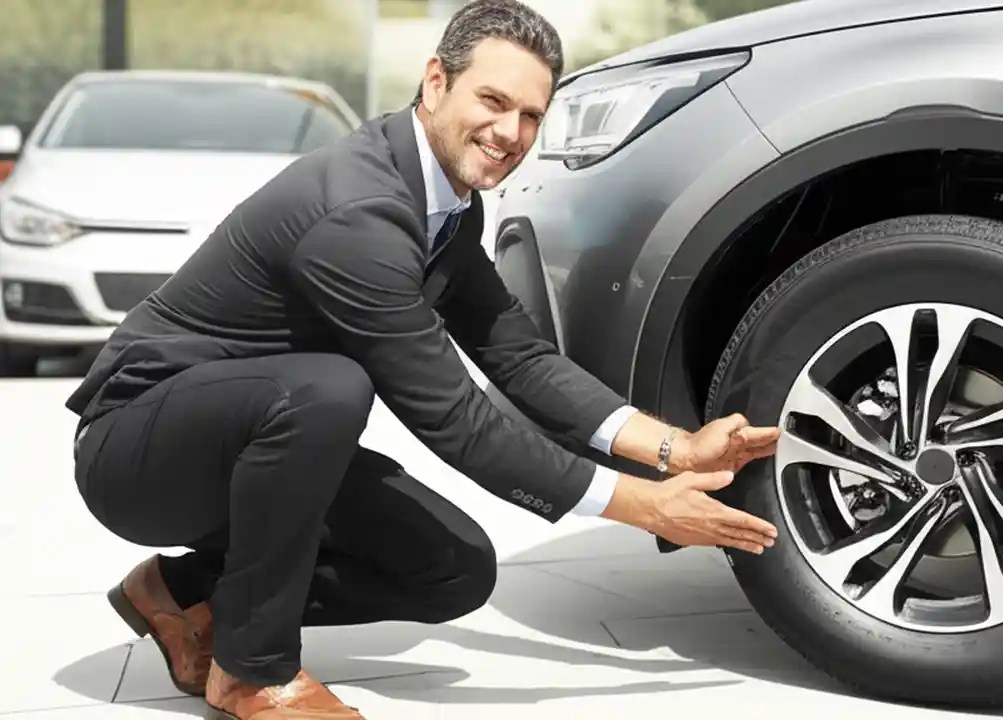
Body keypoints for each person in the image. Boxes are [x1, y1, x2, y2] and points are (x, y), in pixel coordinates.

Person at [66, 1, 780, 717]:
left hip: (266, 443)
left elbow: (519, 355)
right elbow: (456, 420)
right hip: (140, 452)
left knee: (452, 569)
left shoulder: (445, 202)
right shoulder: (358, 212)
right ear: (436, 82)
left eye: (531, 116)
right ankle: (252, 669)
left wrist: (675, 449)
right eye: (493, 101)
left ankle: (181, 595)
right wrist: (644, 508)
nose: (511, 133)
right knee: (330, 387)